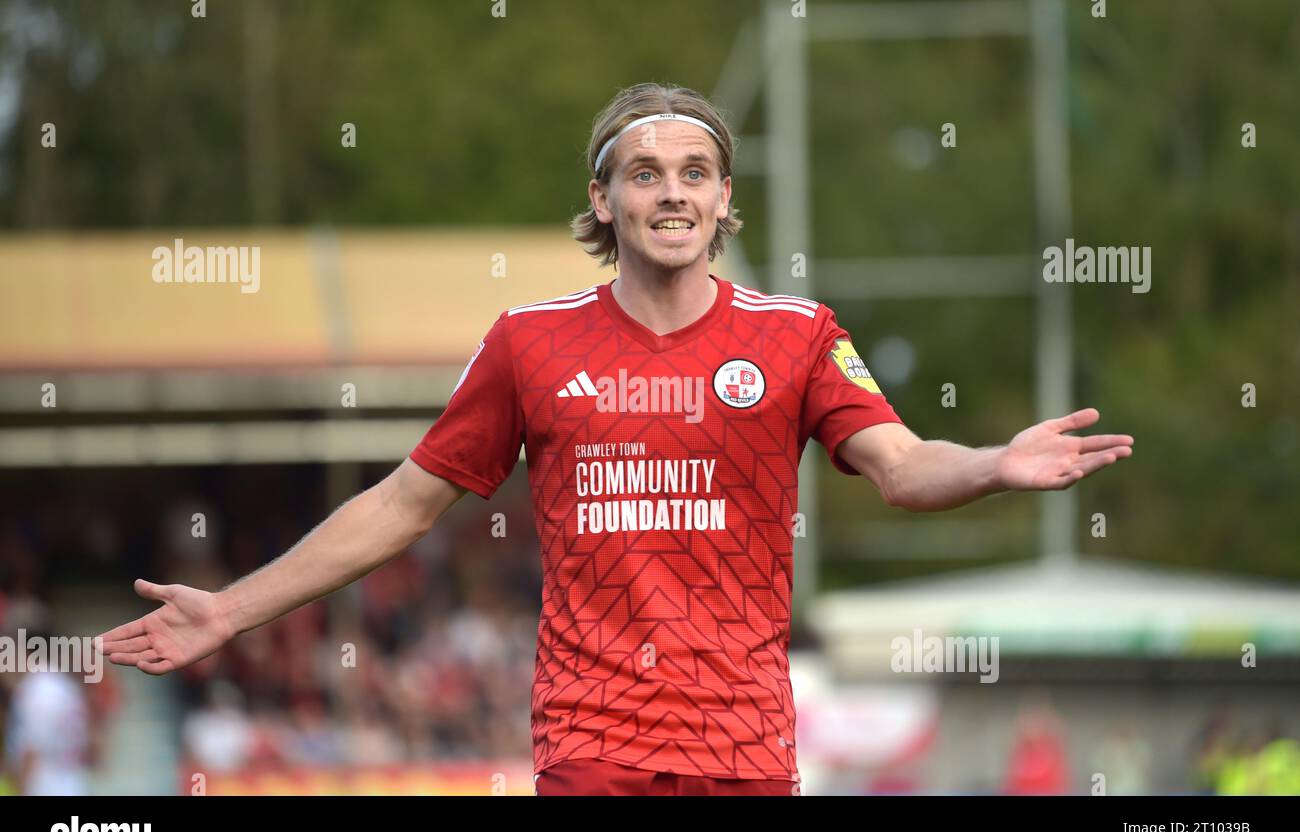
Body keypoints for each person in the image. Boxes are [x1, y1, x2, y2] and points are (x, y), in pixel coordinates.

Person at [98, 82, 1134, 796]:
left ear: (726, 198)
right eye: (644, 172)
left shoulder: (797, 336)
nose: (671, 189)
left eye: (695, 171)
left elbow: (903, 468)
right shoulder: (529, 344)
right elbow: (402, 504)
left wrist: (995, 463)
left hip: (744, 745)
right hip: (593, 742)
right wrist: (230, 608)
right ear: (604, 198)